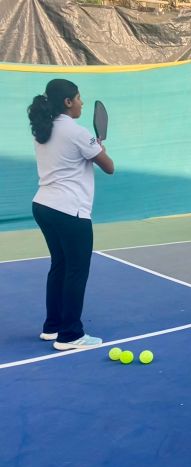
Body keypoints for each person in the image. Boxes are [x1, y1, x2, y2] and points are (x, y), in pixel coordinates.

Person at [27, 79, 115, 351]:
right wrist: (100, 147)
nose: (81, 103)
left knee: (60, 266)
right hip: (70, 211)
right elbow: (109, 167)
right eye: (78, 98)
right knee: (76, 271)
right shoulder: (77, 132)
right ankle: (70, 335)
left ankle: (52, 327)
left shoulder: (43, 129)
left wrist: (93, 147)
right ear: (68, 102)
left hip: (43, 206)